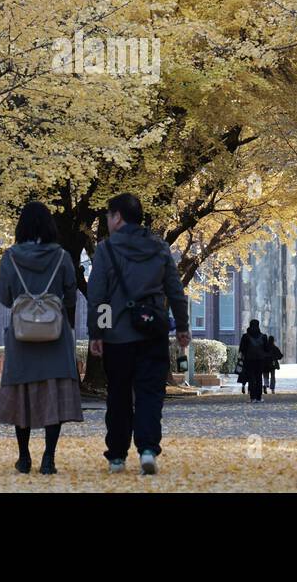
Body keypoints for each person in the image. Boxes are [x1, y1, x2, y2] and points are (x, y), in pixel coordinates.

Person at [87, 193, 190, 475]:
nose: (107, 221)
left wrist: (97, 332)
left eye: (108, 216)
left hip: (117, 337)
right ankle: (147, 449)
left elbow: (98, 298)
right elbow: (175, 291)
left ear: (117, 216)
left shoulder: (106, 251)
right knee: (150, 394)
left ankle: (117, 457)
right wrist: (182, 326)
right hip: (153, 334)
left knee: (118, 396)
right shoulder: (159, 248)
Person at [0, 201, 84, 475]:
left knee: (23, 395)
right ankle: (49, 458)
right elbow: (70, 294)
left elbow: (5, 298)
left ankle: (24, 457)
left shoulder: (10, 258)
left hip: (22, 336)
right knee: (53, 395)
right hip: (55, 335)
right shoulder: (62, 257)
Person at [240, 320, 269, 402]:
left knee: (251, 378)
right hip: (260, 360)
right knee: (259, 378)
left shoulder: (245, 336)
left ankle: (252, 397)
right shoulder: (263, 337)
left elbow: (242, 349)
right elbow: (266, 349)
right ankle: (259, 397)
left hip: (249, 360)